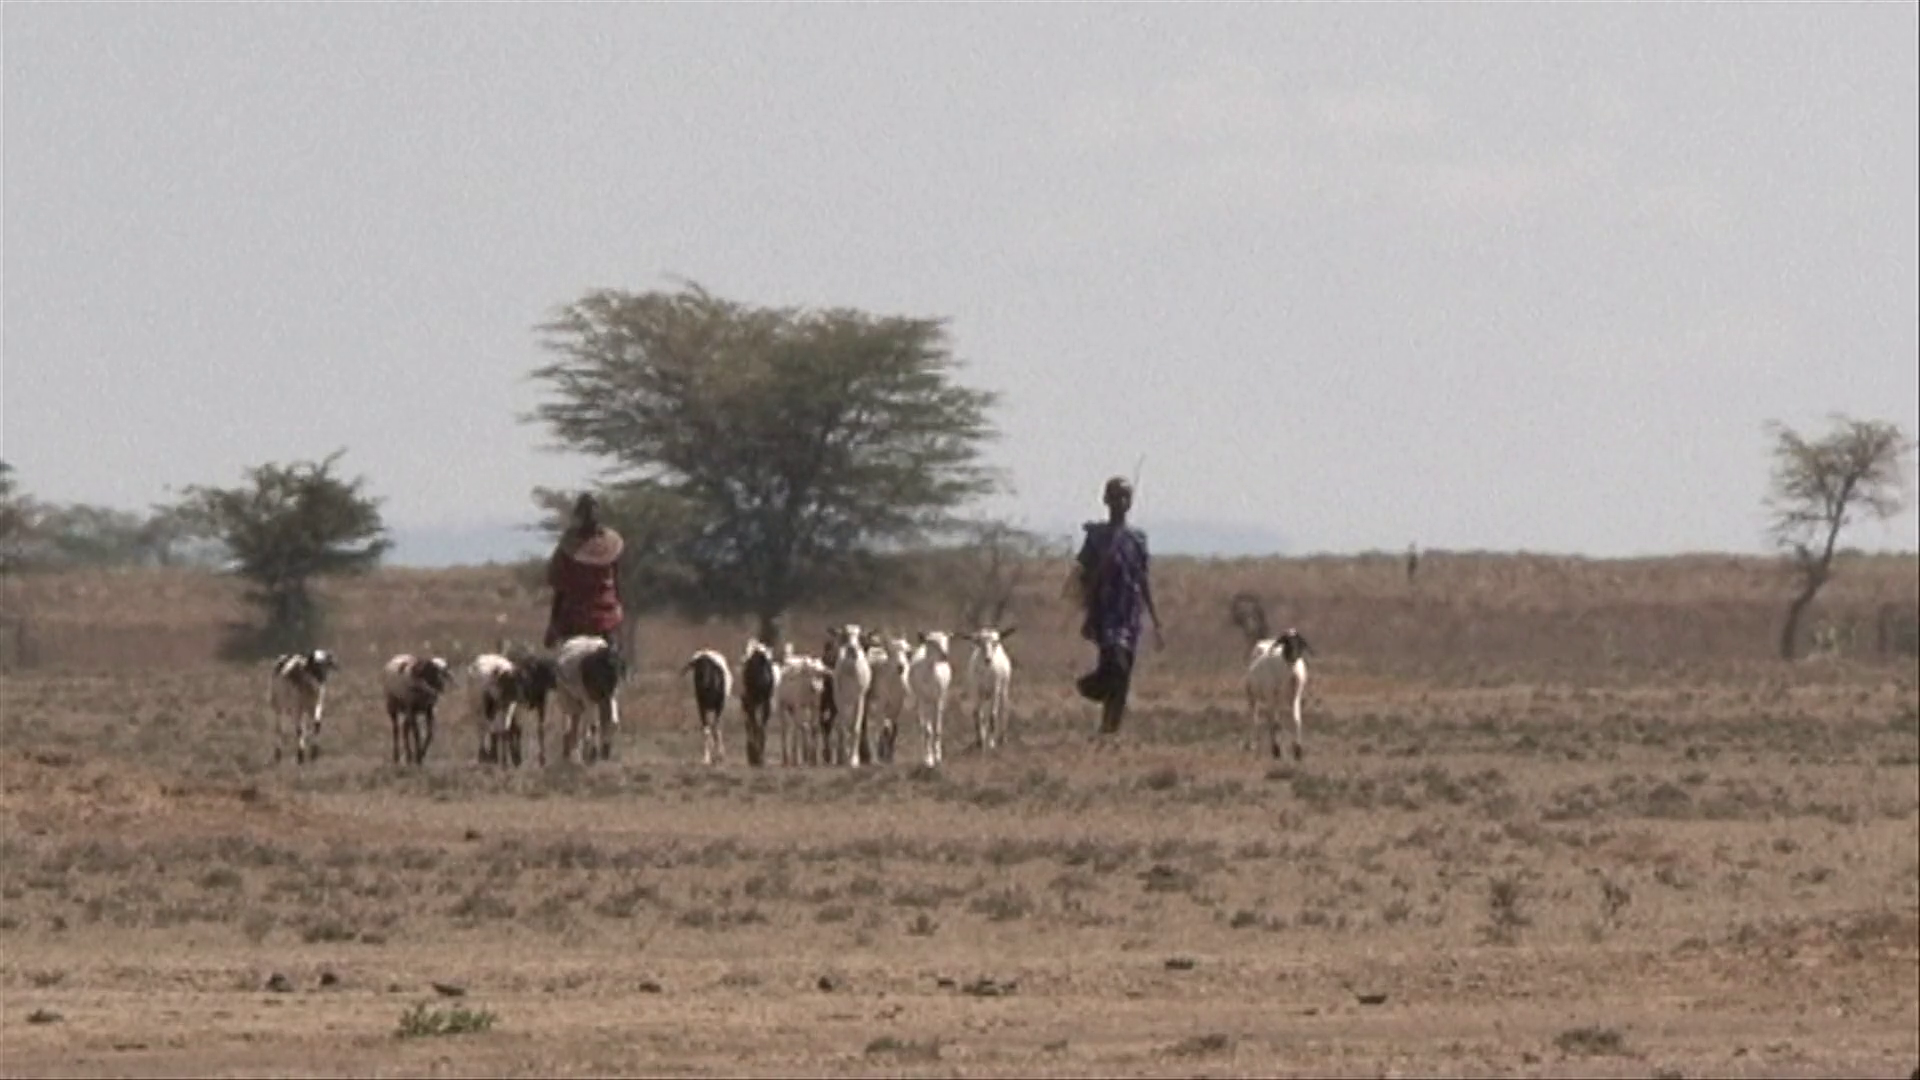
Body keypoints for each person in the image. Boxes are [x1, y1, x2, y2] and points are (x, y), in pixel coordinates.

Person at [1072, 475, 1164, 736]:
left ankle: (1110, 728)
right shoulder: (1096, 537)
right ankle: (1090, 687)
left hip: (1130, 612)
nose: (1120, 502)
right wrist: (1087, 611)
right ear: (1106, 500)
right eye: (1115, 496)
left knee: (1123, 673)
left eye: (1125, 497)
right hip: (1105, 611)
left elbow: (1143, 578)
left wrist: (1155, 619)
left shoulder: (1137, 538)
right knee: (1116, 665)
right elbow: (1083, 576)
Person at [544, 493, 627, 656]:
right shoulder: (609, 546)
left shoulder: (567, 548)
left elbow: (559, 588)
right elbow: (618, 582)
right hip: (605, 615)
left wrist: (553, 624)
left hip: (578, 617)